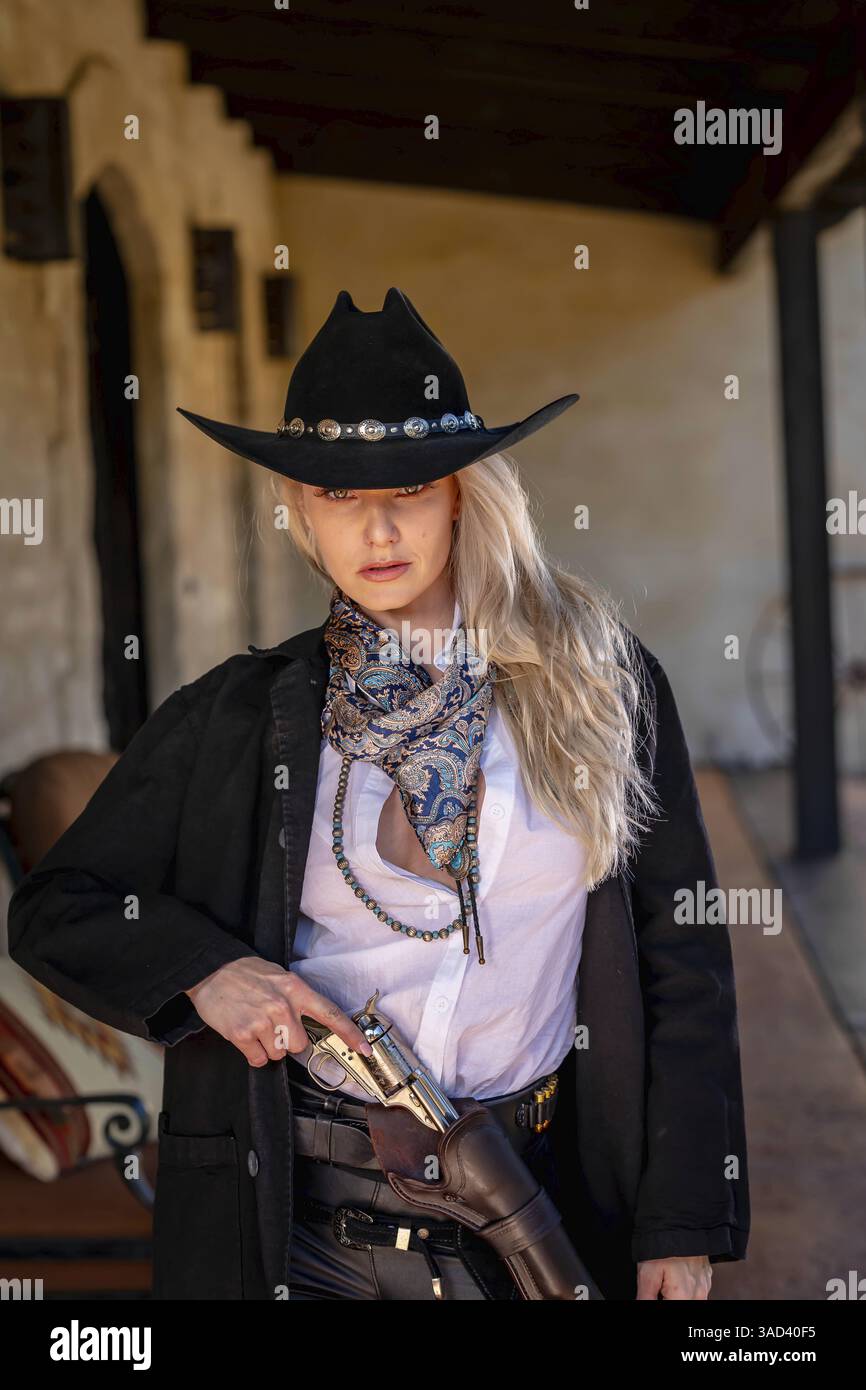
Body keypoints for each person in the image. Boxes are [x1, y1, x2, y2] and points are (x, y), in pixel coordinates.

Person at [8, 287, 749, 1300]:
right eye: (337, 497)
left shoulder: (600, 685)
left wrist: (681, 1221)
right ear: (301, 514)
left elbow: (683, 961)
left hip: (522, 1202)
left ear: (461, 493)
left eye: (408, 487)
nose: (377, 528)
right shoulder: (236, 715)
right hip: (293, 1216)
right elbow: (61, 905)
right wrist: (210, 972)